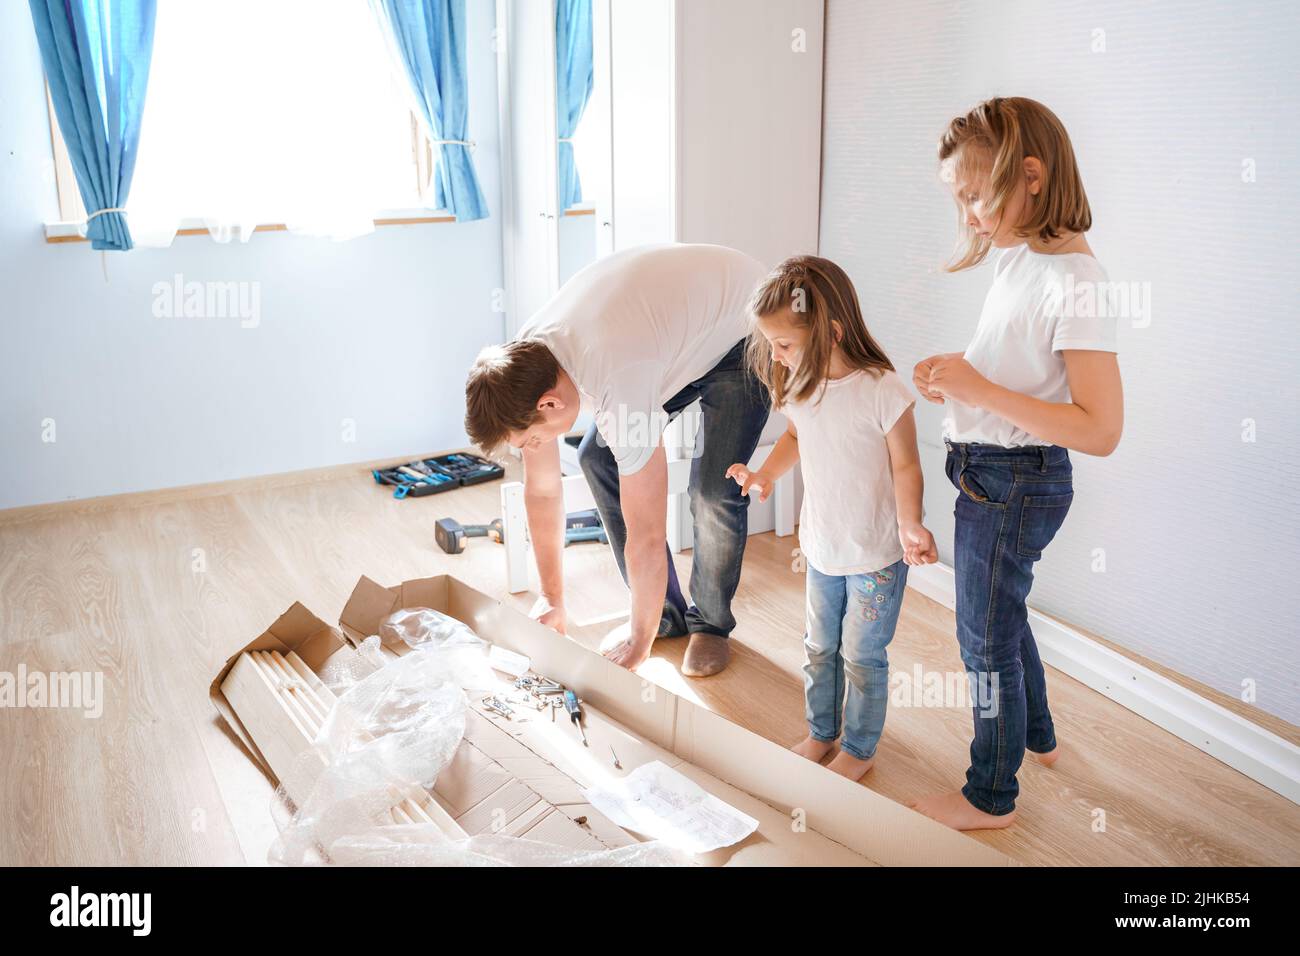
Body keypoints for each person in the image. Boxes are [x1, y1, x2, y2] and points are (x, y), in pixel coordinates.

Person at [909, 96, 1124, 829]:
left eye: (975, 194)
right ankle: (1038, 737)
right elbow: (1018, 370)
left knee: (983, 637)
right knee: (1000, 616)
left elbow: (1100, 429)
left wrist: (981, 388)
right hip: (988, 471)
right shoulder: (1020, 258)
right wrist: (958, 375)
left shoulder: (1080, 281)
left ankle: (990, 796)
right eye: (959, 198)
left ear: (1030, 176)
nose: (968, 214)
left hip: (1018, 481)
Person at [463, 243, 770, 676]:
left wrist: (637, 644)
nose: (533, 449)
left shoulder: (617, 378)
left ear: (549, 405)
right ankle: (662, 613)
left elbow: (646, 532)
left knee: (713, 492)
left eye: (531, 441)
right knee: (597, 458)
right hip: (674, 336)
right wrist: (553, 599)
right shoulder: (528, 365)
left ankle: (711, 626)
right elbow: (544, 490)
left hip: (744, 327)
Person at [727, 255, 938, 781]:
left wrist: (911, 523)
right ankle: (823, 733)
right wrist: (765, 475)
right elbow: (797, 436)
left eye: (784, 344)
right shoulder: (803, 385)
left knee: (863, 656)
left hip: (876, 555)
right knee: (820, 646)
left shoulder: (882, 390)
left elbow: (907, 464)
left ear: (831, 331)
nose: (776, 356)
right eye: (771, 343)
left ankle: (860, 749)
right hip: (820, 548)